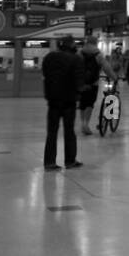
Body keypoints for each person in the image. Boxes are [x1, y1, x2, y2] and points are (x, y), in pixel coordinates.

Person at [43, 35, 85, 171]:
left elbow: (45, 75)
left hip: (53, 100)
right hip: (69, 101)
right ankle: (70, 161)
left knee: (52, 132)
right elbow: (79, 81)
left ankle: (49, 163)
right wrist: (81, 92)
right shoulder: (76, 59)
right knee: (69, 131)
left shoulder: (49, 57)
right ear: (72, 45)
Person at [79, 37, 103, 135]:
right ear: (95, 43)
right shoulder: (98, 54)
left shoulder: (80, 53)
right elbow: (105, 67)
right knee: (90, 103)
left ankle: (82, 124)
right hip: (93, 83)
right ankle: (86, 123)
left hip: (81, 83)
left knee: (82, 104)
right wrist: (114, 77)